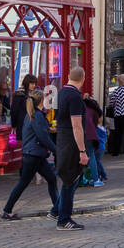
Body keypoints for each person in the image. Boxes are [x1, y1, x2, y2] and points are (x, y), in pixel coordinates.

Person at [1, 88, 59, 220]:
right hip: (33, 155)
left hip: (34, 154)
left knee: (51, 179)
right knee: (23, 183)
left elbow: (39, 133)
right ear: (40, 101)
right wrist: (56, 150)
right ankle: (7, 210)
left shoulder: (32, 115)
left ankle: (57, 209)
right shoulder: (37, 116)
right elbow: (43, 136)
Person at [54, 66, 89, 230]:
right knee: (70, 179)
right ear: (83, 79)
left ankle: (56, 210)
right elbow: (77, 126)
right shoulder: (74, 96)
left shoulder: (61, 93)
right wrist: (82, 151)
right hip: (71, 142)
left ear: (68, 76)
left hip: (62, 139)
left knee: (71, 178)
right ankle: (63, 219)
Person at [81, 94, 105, 186]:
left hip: (80, 134)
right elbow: (95, 125)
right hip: (90, 135)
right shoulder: (94, 111)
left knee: (80, 156)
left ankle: (82, 179)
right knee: (91, 156)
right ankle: (95, 179)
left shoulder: (82, 109)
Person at [10, 73, 37, 143]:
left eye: (34, 83)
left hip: (31, 124)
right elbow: (14, 111)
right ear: (27, 83)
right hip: (22, 124)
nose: (34, 85)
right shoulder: (19, 95)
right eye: (32, 83)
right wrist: (14, 125)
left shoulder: (33, 95)